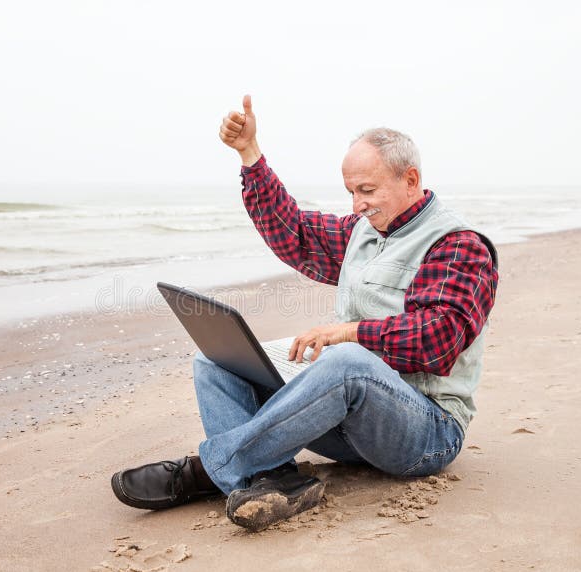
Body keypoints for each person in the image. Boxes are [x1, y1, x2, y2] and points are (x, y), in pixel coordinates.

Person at [111, 95, 499, 531]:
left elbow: (438, 339)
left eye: (367, 190)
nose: (356, 205)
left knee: (346, 361)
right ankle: (273, 479)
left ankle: (208, 471)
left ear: (410, 179)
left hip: (425, 432)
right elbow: (292, 230)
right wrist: (249, 153)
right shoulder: (363, 231)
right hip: (350, 428)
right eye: (351, 192)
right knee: (216, 359)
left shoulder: (458, 245)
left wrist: (348, 333)